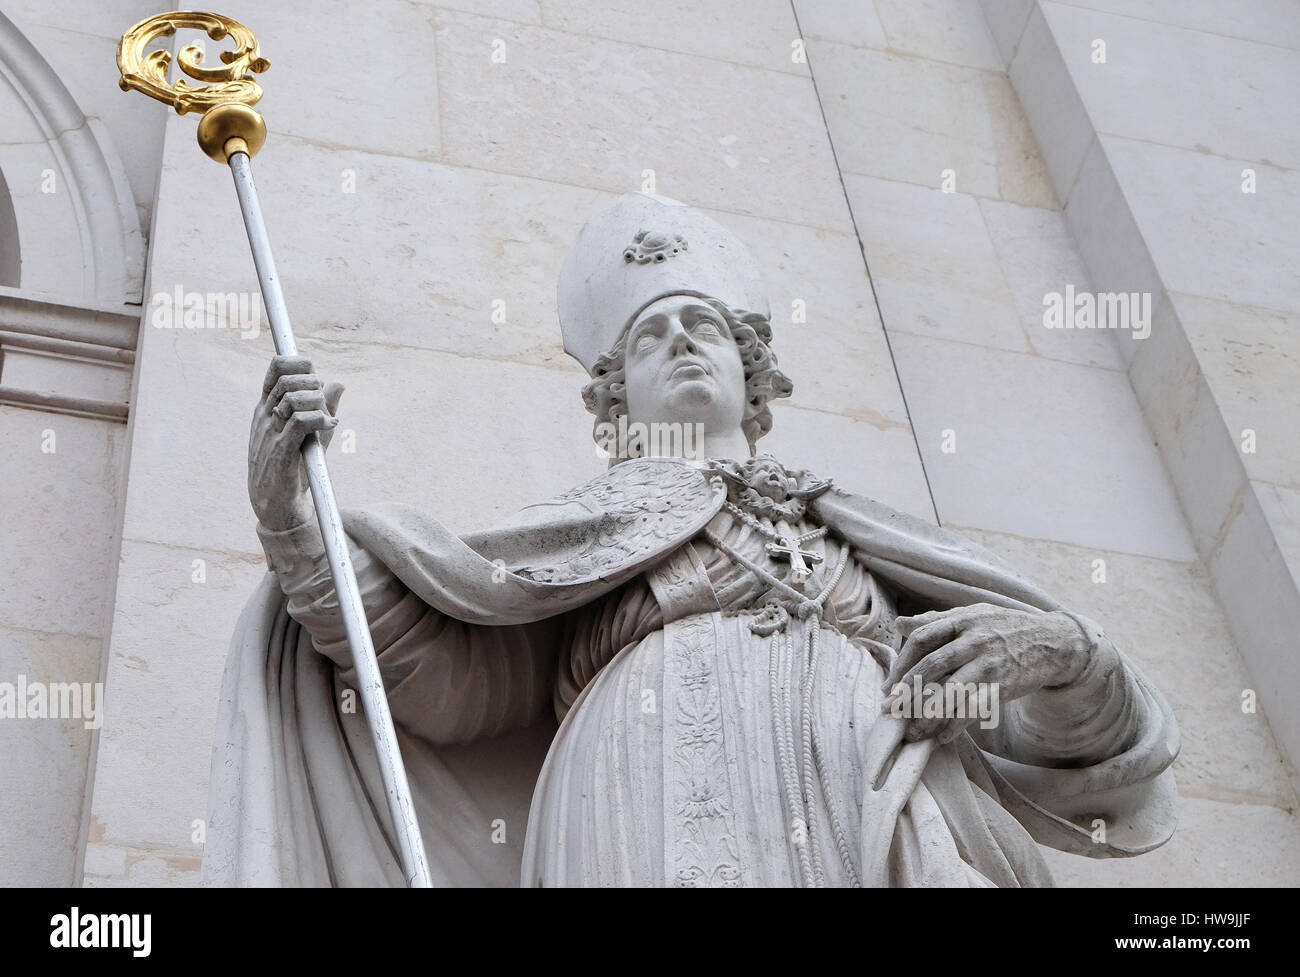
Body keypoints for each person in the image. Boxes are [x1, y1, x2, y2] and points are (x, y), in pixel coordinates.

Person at [203, 193, 1178, 887]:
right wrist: (292, 516)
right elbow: (433, 672)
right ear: (612, 391)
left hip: (867, 784)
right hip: (638, 790)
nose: (680, 338)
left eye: (702, 323)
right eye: (651, 331)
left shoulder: (867, 534)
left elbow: (1088, 758)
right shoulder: (581, 536)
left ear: (751, 375)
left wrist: (1058, 649)